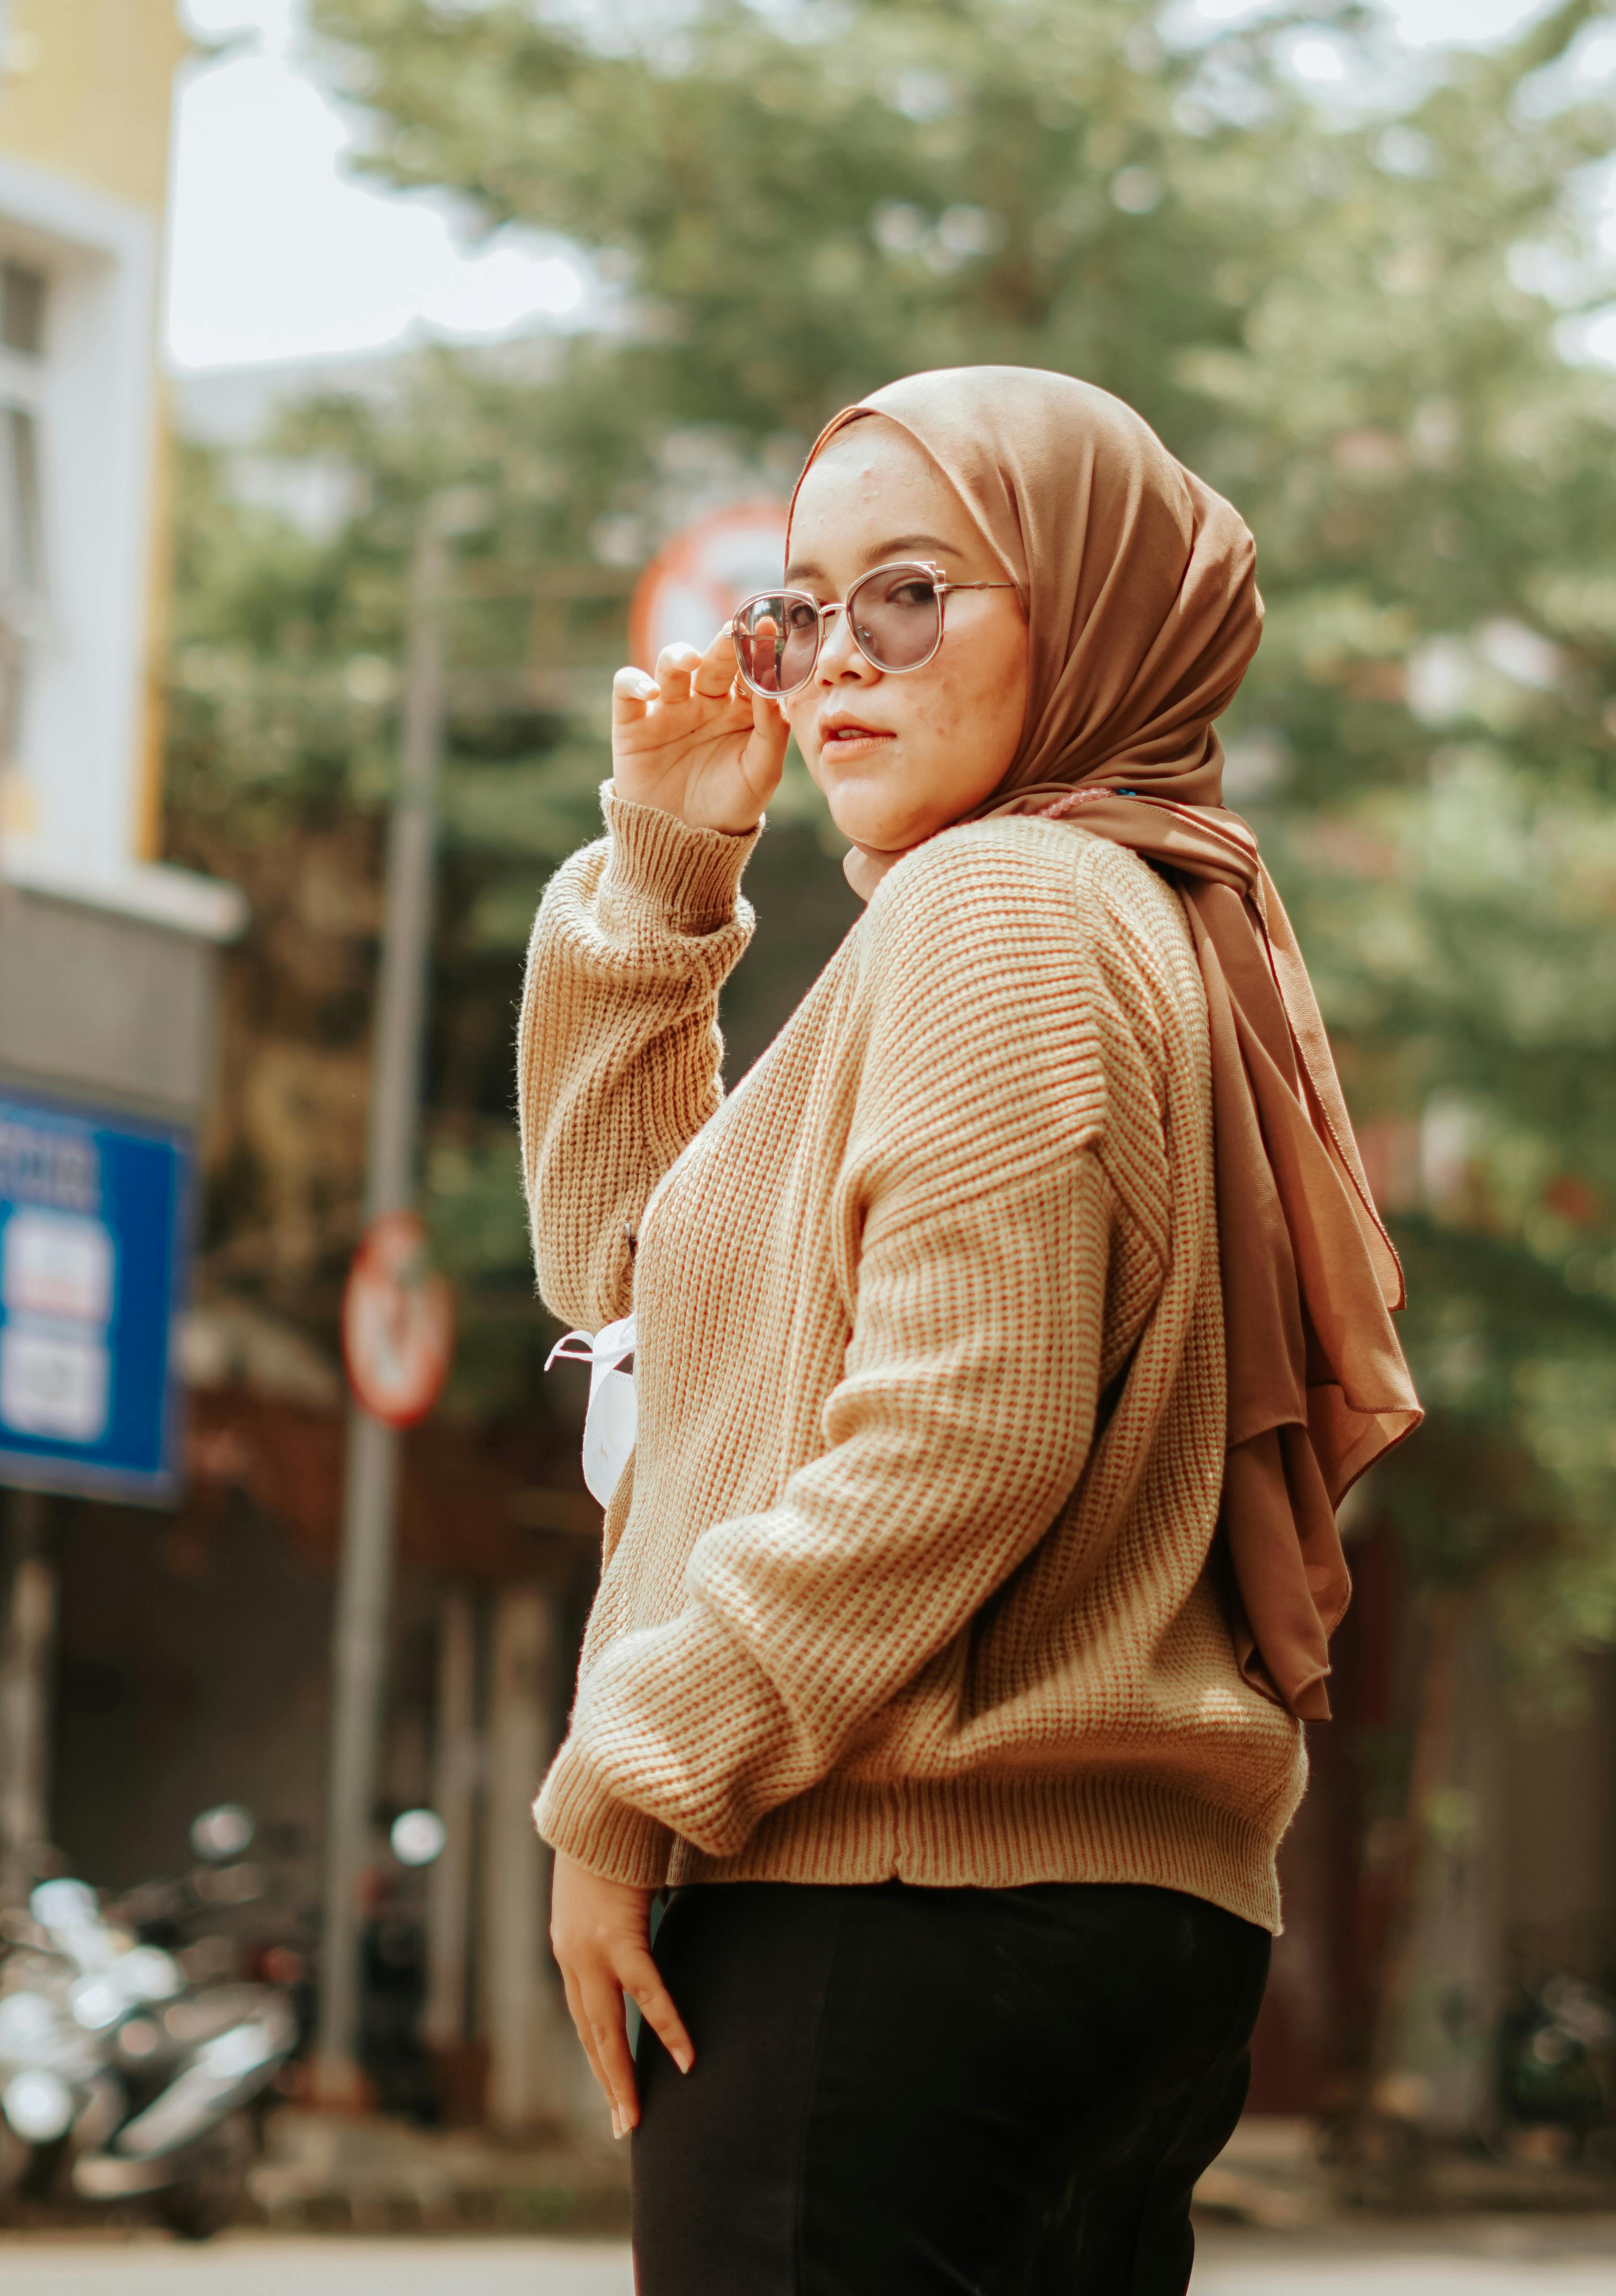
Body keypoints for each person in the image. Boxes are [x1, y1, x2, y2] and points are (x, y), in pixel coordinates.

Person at [522, 366, 1419, 2294]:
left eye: (910, 593)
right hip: (1092, 1931)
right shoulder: (1151, 911)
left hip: (897, 1908)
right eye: (802, 604)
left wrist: (630, 1771)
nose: (833, 658)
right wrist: (673, 866)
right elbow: (632, 1284)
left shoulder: (999, 905)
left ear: (1088, 609)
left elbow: (961, 1439)